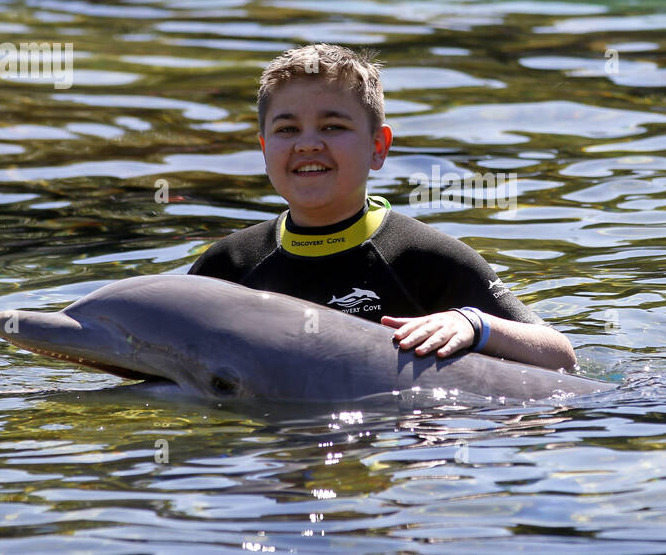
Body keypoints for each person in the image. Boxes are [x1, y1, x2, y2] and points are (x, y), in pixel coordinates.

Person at [187, 43, 577, 371]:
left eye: (332, 127)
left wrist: (474, 324)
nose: (307, 144)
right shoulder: (230, 265)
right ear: (264, 148)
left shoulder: (424, 259)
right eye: (287, 129)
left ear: (378, 148)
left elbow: (561, 355)